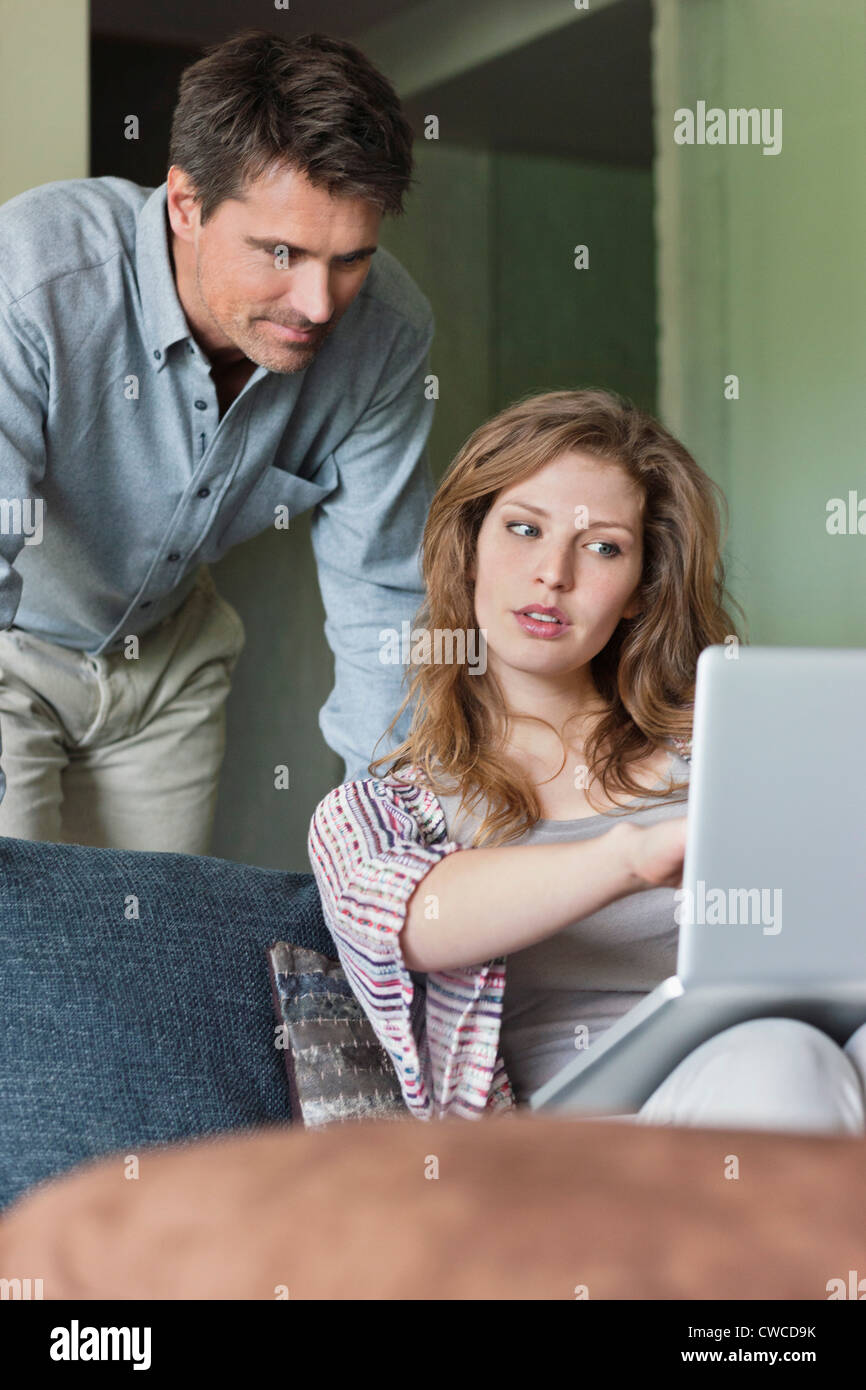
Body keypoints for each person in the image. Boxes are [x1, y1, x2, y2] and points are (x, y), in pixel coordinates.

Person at [308, 387, 866, 1133]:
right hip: (575, 1135)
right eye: (522, 529)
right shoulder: (377, 811)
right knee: (776, 1058)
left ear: (639, 591)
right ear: (469, 549)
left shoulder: (732, 751)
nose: (553, 574)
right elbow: (409, 920)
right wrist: (630, 858)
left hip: (805, 1069)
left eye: (603, 546)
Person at [0, 29, 435, 851]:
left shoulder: (385, 333)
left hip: (170, 663)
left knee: (144, 952)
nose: (318, 304)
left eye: (350, 260)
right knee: (19, 939)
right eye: (282, 252)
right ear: (186, 205)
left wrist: (385, 849)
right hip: (10, 650)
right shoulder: (29, 278)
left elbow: (386, 599)